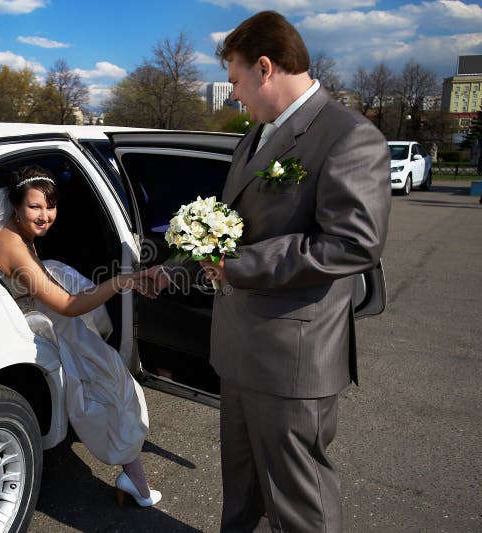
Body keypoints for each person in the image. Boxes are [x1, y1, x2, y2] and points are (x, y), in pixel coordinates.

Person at [146, 11, 390, 531]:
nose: (234, 95)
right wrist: (177, 269)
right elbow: (232, 228)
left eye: (234, 81)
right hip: (238, 354)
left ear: (264, 68)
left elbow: (353, 244)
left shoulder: (348, 135)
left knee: (299, 504)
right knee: (242, 491)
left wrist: (238, 266)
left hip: (292, 362)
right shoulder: (253, 138)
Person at [0, 164, 162, 507]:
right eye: (34, 207)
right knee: (108, 379)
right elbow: (66, 305)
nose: (45, 215)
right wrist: (121, 281)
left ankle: (134, 478)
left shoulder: (15, 233)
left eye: (50, 207)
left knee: (106, 375)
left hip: (39, 310)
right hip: (40, 321)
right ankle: (134, 478)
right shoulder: (15, 248)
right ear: (15, 206)